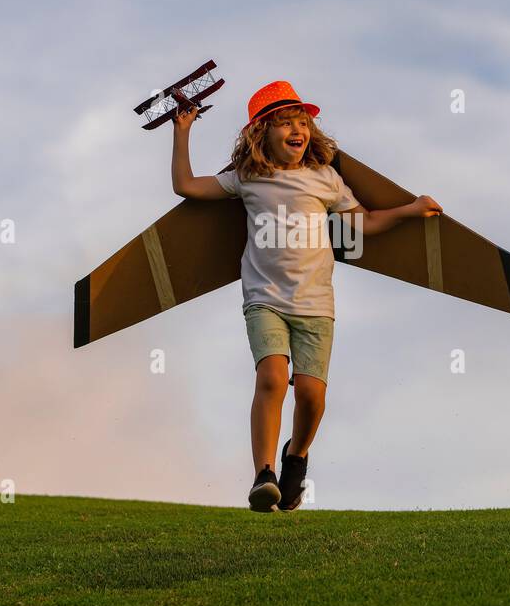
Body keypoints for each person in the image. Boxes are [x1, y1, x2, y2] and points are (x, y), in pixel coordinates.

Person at [170, 80, 442, 511]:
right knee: (272, 379)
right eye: (285, 123)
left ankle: (295, 458)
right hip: (265, 298)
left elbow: (365, 224)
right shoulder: (248, 179)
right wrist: (182, 130)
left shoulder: (325, 179)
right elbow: (185, 186)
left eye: (302, 122)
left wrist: (410, 210)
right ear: (262, 134)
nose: (297, 130)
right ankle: (264, 476)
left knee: (312, 395)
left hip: (316, 304)